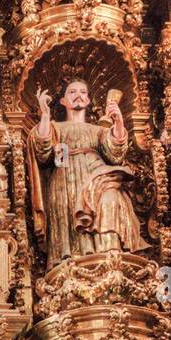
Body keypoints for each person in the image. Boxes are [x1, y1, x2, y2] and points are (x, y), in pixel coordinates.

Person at [28, 77, 148, 265]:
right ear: (63, 101)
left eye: (83, 92)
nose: (78, 96)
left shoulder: (98, 130)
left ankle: (110, 255)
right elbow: (42, 151)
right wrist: (45, 114)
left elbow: (115, 153)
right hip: (65, 177)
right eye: (72, 92)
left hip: (97, 173)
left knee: (112, 198)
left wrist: (118, 121)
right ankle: (70, 262)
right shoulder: (55, 127)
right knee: (67, 210)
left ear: (89, 100)